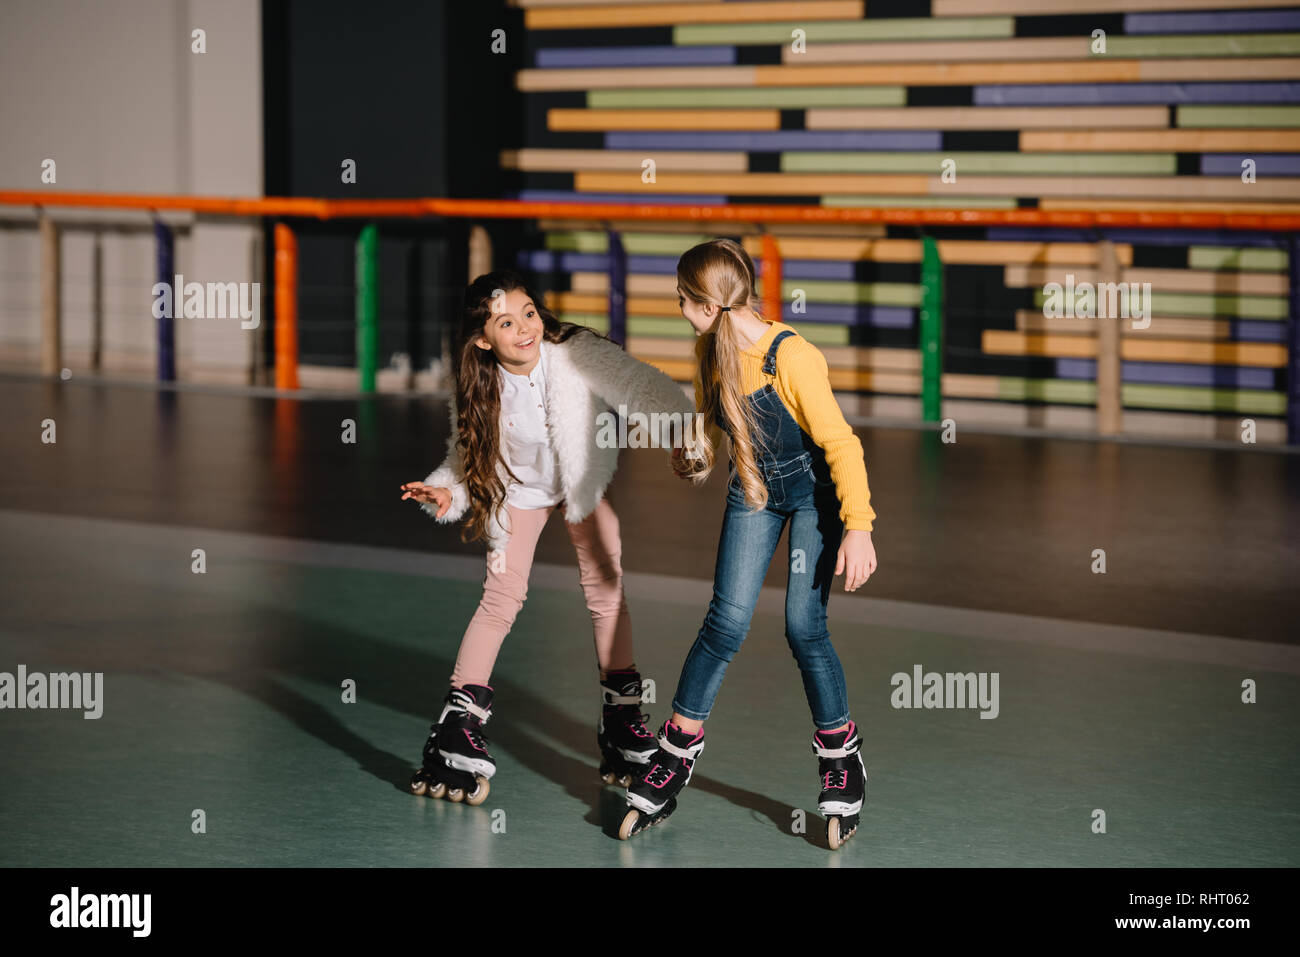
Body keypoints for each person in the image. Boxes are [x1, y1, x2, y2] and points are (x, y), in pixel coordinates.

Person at [401, 269, 696, 804]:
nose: (524, 329)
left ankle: (623, 719)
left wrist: (681, 424)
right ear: (482, 339)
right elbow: (466, 456)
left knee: (607, 591)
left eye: (529, 313)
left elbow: (636, 384)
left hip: (579, 482)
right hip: (519, 494)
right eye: (505, 322)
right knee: (501, 598)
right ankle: (458, 722)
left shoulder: (575, 351)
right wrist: (447, 492)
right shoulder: (478, 382)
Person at [620, 239, 878, 849]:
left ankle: (842, 755)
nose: (681, 310)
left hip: (816, 496)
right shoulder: (714, 350)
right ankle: (676, 747)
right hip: (756, 490)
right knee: (726, 622)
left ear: (706, 305)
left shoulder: (793, 357)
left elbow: (841, 445)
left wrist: (860, 526)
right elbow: (715, 415)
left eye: (683, 301)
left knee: (802, 625)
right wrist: (697, 450)